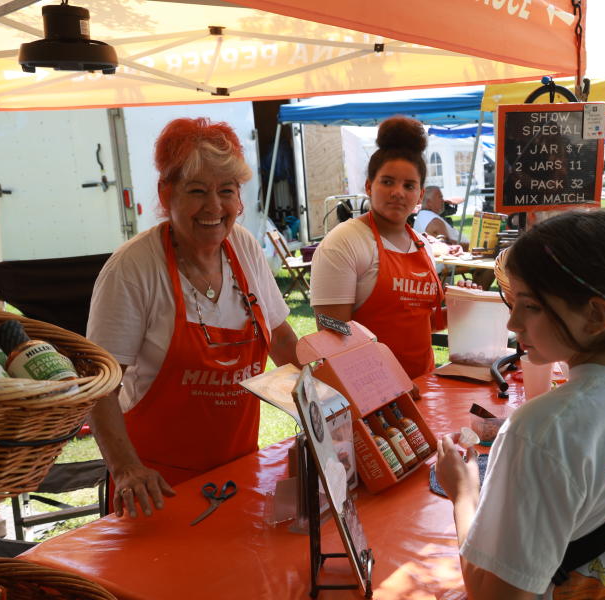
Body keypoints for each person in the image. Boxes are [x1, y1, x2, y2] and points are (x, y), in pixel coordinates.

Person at [436, 210, 605, 599]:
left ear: (595, 316)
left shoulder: (543, 431)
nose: (512, 322)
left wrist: (463, 494)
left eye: (529, 305)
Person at [87, 117, 299, 518]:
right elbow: (100, 388)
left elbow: (284, 341)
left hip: (238, 474)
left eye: (227, 192)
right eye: (197, 191)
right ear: (167, 195)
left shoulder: (245, 247)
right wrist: (127, 469)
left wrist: (338, 401)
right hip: (156, 489)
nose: (214, 208)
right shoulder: (132, 269)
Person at [310, 117, 444, 380]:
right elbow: (331, 329)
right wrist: (385, 383)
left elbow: (417, 322)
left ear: (420, 194)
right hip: (366, 392)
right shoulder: (344, 242)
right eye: (387, 182)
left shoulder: (422, 244)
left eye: (409, 186)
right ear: (369, 186)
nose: (398, 192)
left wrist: (466, 306)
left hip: (423, 388)